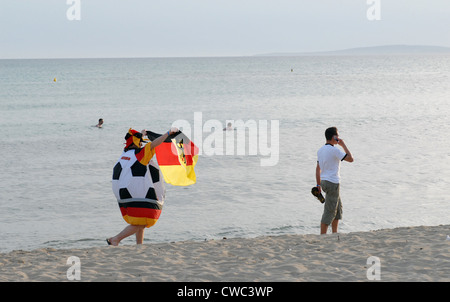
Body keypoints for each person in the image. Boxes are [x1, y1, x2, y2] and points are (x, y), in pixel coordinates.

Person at [107, 127, 178, 246]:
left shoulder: (125, 154)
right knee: (143, 222)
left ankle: (139, 245)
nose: (141, 144)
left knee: (140, 220)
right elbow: (153, 144)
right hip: (138, 197)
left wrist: (142, 134)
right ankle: (116, 239)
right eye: (140, 142)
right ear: (136, 143)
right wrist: (168, 133)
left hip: (124, 198)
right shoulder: (140, 155)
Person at [315, 127, 354, 234]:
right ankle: (323, 235)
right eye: (337, 136)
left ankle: (334, 233)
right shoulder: (335, 150)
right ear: (333, 137)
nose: (338, 138)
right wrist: (343, 145)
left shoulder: (320, 150)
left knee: (337, 208)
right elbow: (351, 159)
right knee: (330, 210)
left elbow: (318, 169)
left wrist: (318, 184)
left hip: (324, 182)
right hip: (332, 183)